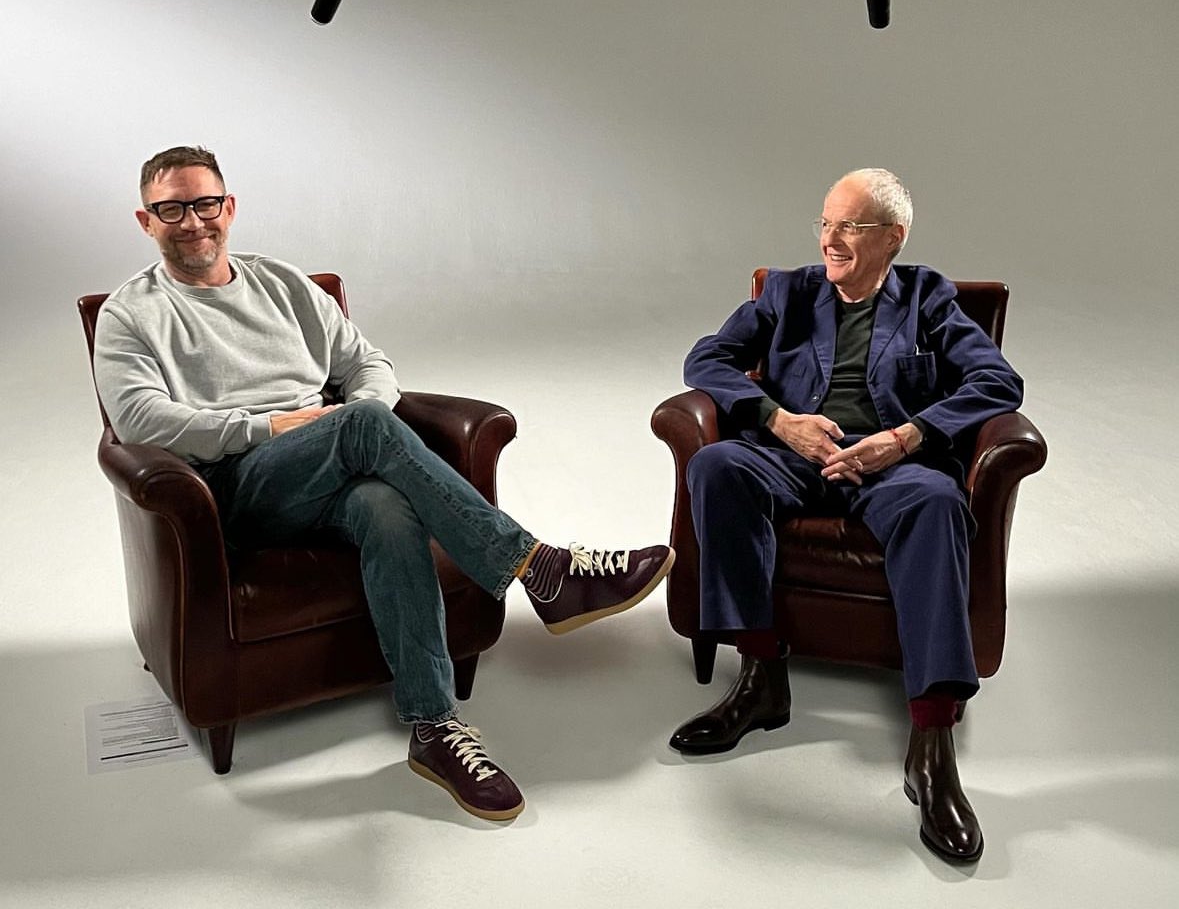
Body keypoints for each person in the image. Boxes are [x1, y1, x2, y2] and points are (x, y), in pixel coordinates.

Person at [93, 145, 674, 822]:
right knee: (364, 424)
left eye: (204, 204)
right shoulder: (130, 313)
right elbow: (139, 419)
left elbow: (367, 364)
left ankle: (434, 727)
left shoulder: (281, 283)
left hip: (328, 461)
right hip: (237, 486)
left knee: (386, 506)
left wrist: (346, 420)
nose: (192, 221)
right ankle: (540, 568)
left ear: (230, 207)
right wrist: (274, 426)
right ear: (146, 220)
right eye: (171, 209)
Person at [668, 167, 1022, 865]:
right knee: (716, 467)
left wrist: (905, 438)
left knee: (937, 503)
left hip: (889, 466)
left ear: (893, 237)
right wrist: (779, 421)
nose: (830, 239)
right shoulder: (789, 292)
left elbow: (997, 381)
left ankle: (931, 745)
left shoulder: (927, 297)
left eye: (849, 226)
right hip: (795, 455)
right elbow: (705, 358)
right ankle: (761, 678)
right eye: (825, 223)